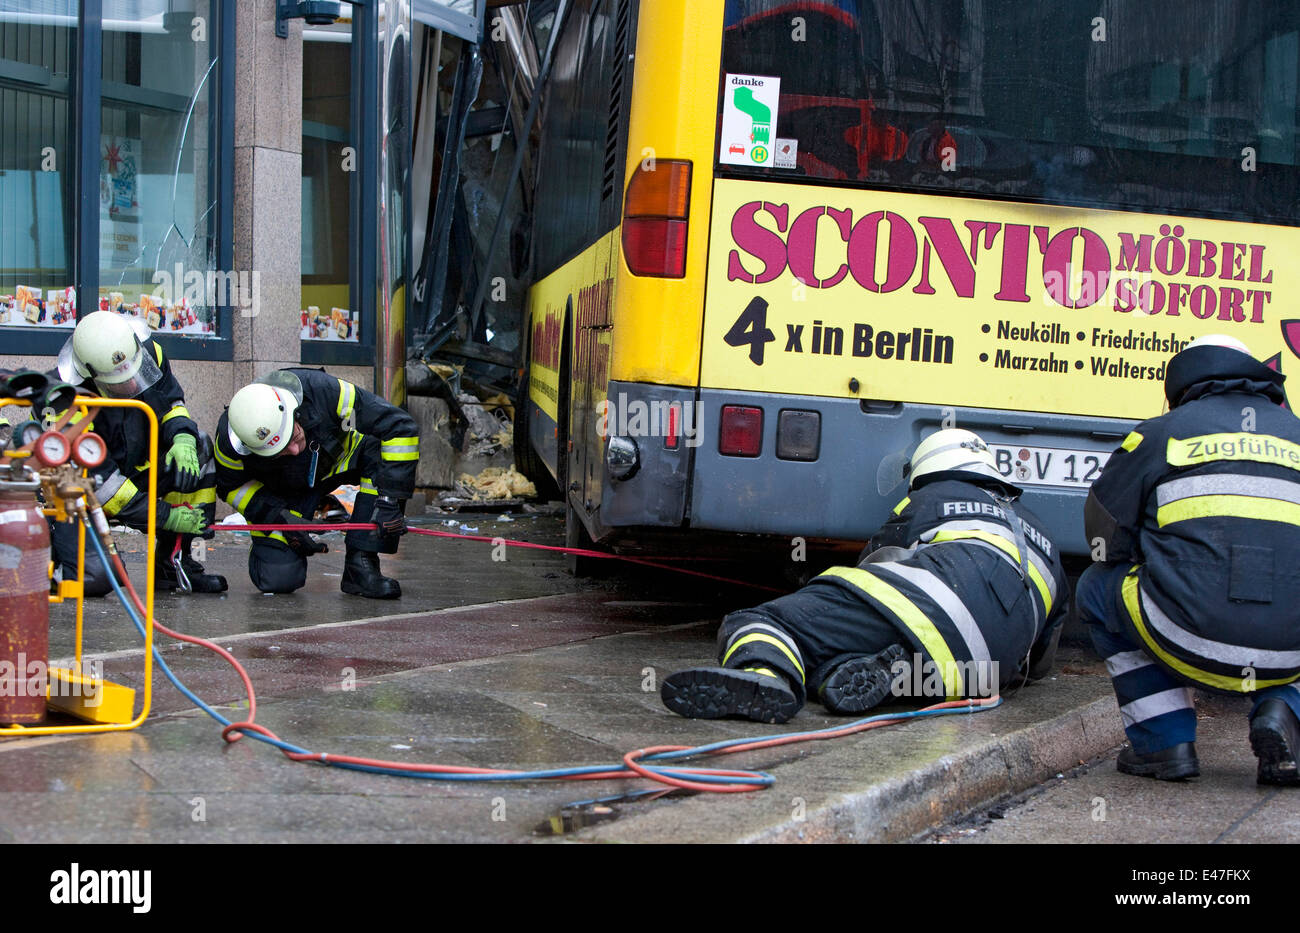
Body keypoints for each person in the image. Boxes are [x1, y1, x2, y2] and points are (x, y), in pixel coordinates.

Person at [661, 428, 1068, 723]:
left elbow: (872, 572)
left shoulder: (929, 499)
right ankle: (891, 674)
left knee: (763, 622)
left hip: (936, 607)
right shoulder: (1042, 534)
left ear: (926, 474)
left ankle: (763, 675)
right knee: (844, 660)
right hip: (985, 674)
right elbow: (1043, 660)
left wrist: (823, 598)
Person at [1081, 334, 1300, 784]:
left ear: (1183, 386)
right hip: (1291, 651)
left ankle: (1165, 743)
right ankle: (1286, 710)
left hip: (1183, 636)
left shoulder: (1159, 433)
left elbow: (1104, 538)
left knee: (1096, 588)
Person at [53, 310, 225, 594]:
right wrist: (165, 515)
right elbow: (104, 487)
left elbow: (171, 403)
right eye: (118, 380)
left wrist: (182, 436)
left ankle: (176, 565)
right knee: (97, 579)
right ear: (91, 375)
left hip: (136, 472)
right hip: (85, 496)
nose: (133, 383)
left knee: (199, 446)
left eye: (134, 369)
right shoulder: (64, 399)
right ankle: (51, 567)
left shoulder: (150, 351)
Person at [214, 368, 419, 599]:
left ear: (293, 412)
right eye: (280, 450)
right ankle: (269, 549)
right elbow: (230, 487)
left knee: (381, 453)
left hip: (337, 462)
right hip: (283, 496)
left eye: (293, 435)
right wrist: (278, 517)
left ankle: (361, 565)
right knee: (278, 579)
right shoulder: (231, 442)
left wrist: (389, 500)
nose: (293, 450)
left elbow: (399, 427)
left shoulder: (323, 391)